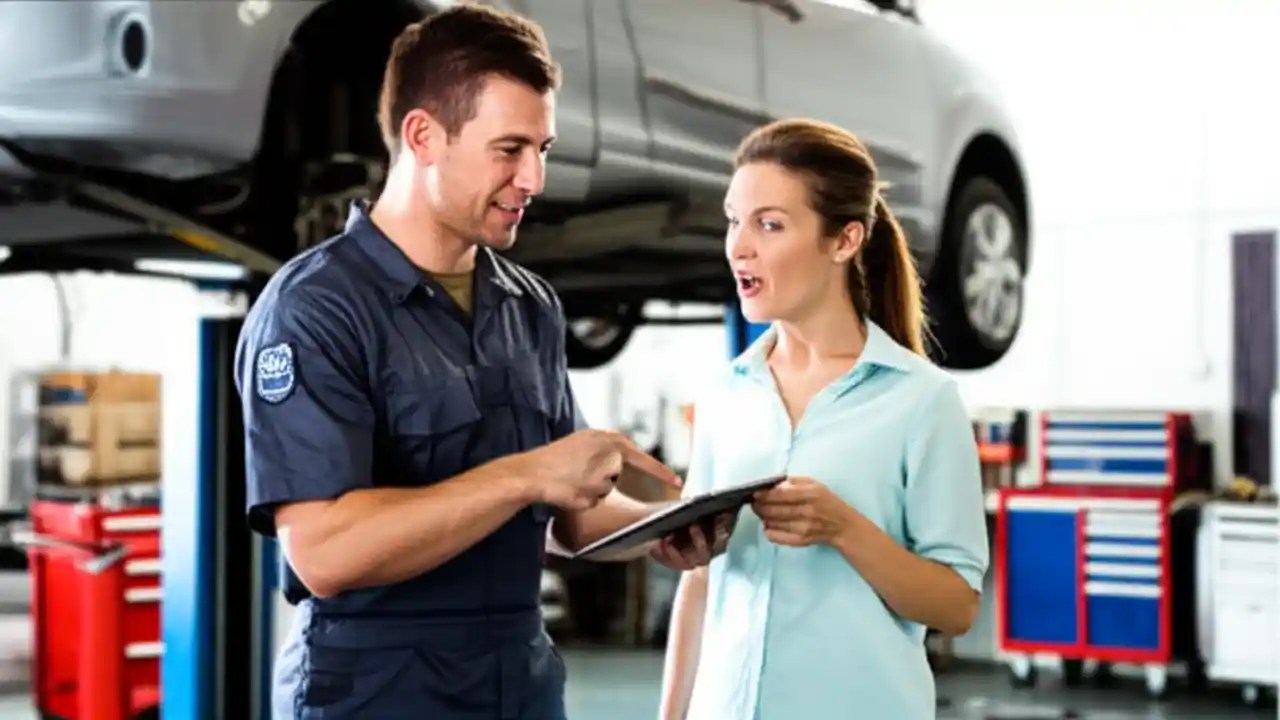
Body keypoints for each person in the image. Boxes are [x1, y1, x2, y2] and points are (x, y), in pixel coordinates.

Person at [234, 6, 727, 719]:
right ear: (423, 136)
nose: (534, 178)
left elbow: (567, 514)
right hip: (376, 691)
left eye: (544, 148)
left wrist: (661, 526)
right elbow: (324, 552)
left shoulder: (529, 307)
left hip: (515, 679)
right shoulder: (316, 310)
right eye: (509, 149)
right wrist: (527, 473)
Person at [657, 118, 991, 720]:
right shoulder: (727, 393)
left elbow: (956, 605)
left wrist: (843, 528)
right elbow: (702, 582)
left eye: (770, 224)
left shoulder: (920, 400)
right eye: (735, 220)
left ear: (844, 241)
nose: (739, 245)